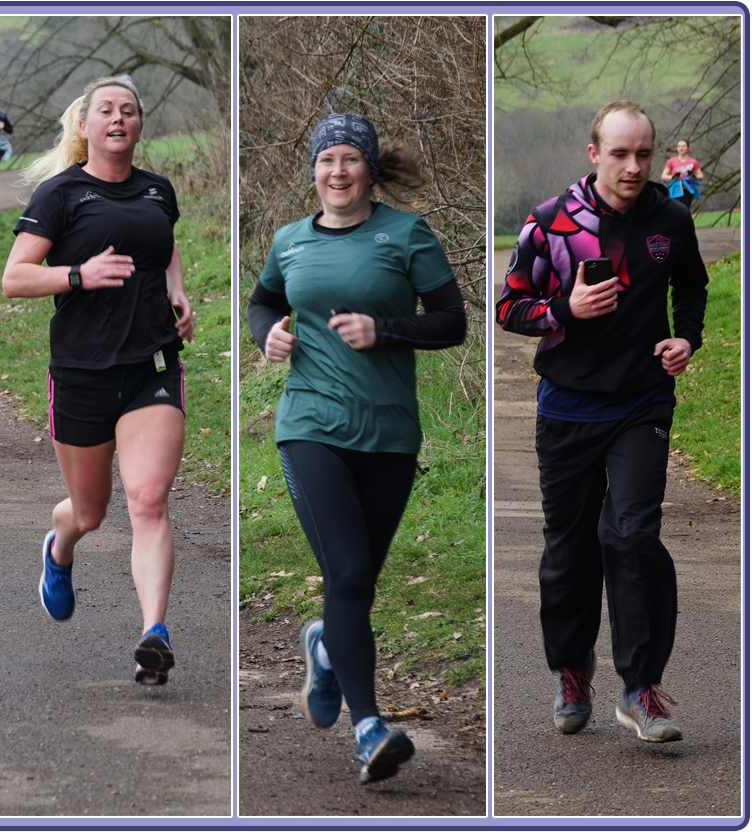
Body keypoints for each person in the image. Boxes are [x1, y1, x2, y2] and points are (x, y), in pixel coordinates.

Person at [247, 112, 465, 783]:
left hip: (391, 434)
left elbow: (451, 322)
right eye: (325, 160)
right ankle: (368, 726)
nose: (336, 172)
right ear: (312, 170)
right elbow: (261, 303)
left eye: (348, 159)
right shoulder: (289, 241)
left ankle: (323, 647)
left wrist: (387, 330)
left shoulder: (406, 234)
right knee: (345, 573)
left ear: (368, 167)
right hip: (310, 425)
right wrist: (268, 338)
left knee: (358, 584)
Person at [497, 100, 707, 746]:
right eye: (620, 154)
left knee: (633, 535)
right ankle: (570, 670)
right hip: (567, 407)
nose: (634, 166)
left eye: (643, 154)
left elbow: (692, 286)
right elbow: (509, 305)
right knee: (569, 550)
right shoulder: (551, 222)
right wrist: (568, 307)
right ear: (594, 155)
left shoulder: (671, 219)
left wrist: (687, 340)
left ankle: (641, 687)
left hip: (641, 403)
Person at [2, 76, 194, 689]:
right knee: (90, 512)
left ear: (139, 126)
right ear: (84, 127)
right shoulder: (60, 194)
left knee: (148, 500)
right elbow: (14, 278)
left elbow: (162, 246)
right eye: (105, 110)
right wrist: (79, 275)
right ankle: (59, 549)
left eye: (129, 111)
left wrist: (177, 290)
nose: (118, 118)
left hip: (151, 367)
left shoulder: (158, 191)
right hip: (82, 374)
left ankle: (153, 636)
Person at [660, 139, 703, 210]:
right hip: (675, 189)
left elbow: (701, 176)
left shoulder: (693, 162)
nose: (681, 148)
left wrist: (693, 176)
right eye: (679, 146)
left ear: (688, 148)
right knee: (675, 210)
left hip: (688, 189)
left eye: (683, 146)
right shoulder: (672, 161)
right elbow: (664, 176)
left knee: (684, 209)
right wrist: (673, 177)